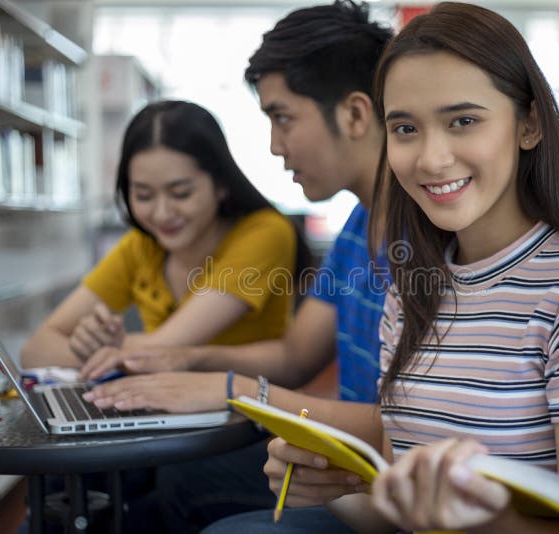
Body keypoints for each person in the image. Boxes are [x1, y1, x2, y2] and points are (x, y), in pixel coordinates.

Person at [209, 3, 559, 533]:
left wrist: (473, 519)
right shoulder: (411, 288)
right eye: (405, 128)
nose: (430, 158)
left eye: (463, 121)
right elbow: (392, 504)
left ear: (529, 123)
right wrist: (330, 485)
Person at [80, 2, 393, 531]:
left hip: (382, 481)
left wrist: (236, 389)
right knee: (144, 484)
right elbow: (296, 355)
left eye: (283, 118)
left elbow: (403, 429)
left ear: (356, 114)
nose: (274, 146)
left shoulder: (425, 237)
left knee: (178, 486)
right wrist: (190, 359)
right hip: (348, 463)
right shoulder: (357, 227)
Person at [21, 100, 306, 370]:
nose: (161, 214)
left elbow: (161, 350)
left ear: (222, 185)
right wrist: (96, 348)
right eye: (144, 195)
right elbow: (35, 351)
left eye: (181, 193)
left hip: (248, 415)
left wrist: (98, 352)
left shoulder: (266, 232)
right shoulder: (142, 245)